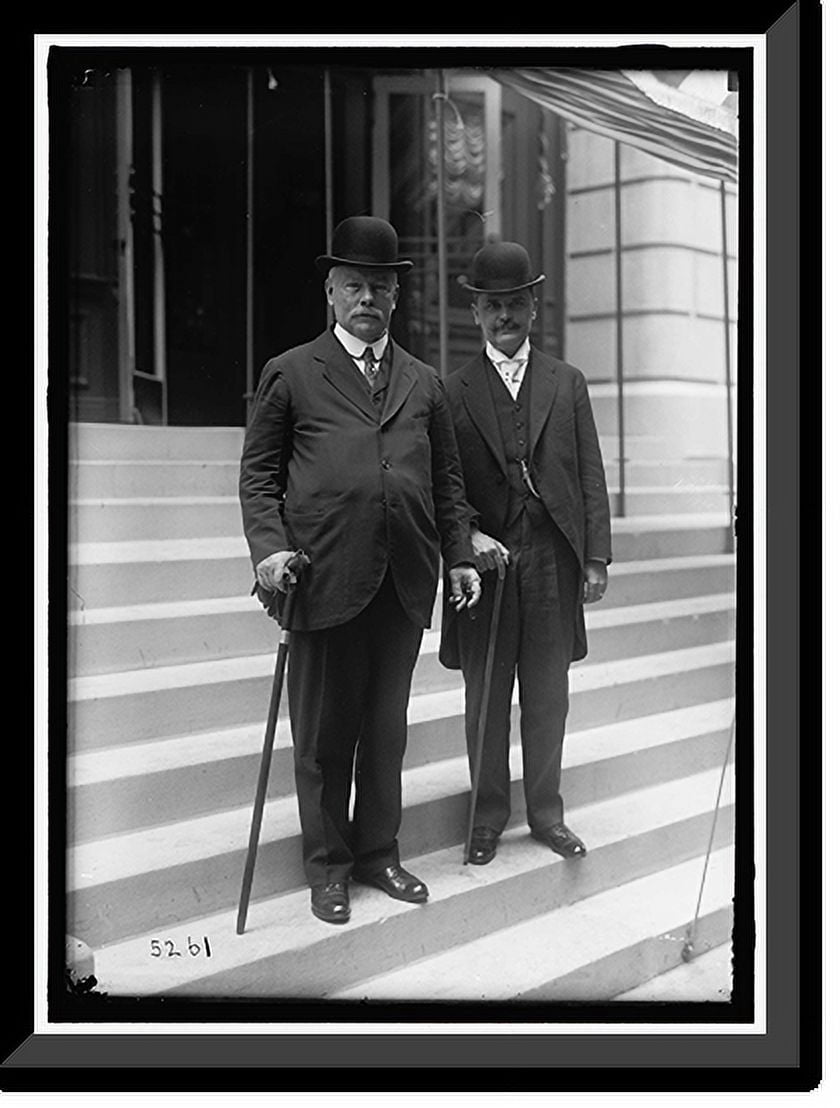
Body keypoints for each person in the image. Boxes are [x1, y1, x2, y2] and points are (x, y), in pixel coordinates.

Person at [239, 216, 481, 924]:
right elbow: (258, 479)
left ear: (397, 297)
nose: (368, 297)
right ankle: (329, 868)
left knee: (386, 728)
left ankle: (378, 854)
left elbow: (447, 484)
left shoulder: (425, 382)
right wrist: (269, 550)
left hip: (404, 579)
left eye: (381, 285)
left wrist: (459, 555)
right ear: (331, 292)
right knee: (321, 736)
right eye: (354, 285)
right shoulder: (290, 372)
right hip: (321, 576)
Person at [439, 241, 612, 866]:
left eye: (515, 304)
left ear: (533, 308)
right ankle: (487, 819)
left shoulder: (567, 384)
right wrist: (466, 541)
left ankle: (546, 814)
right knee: (485, 697)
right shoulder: (452, 390)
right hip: (487, 566)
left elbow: (590, 474)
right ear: (476, 313)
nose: (504, 317)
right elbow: (445, 484)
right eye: (492, 306)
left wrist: (595, 558)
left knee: (547, 693)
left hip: (552, 562)